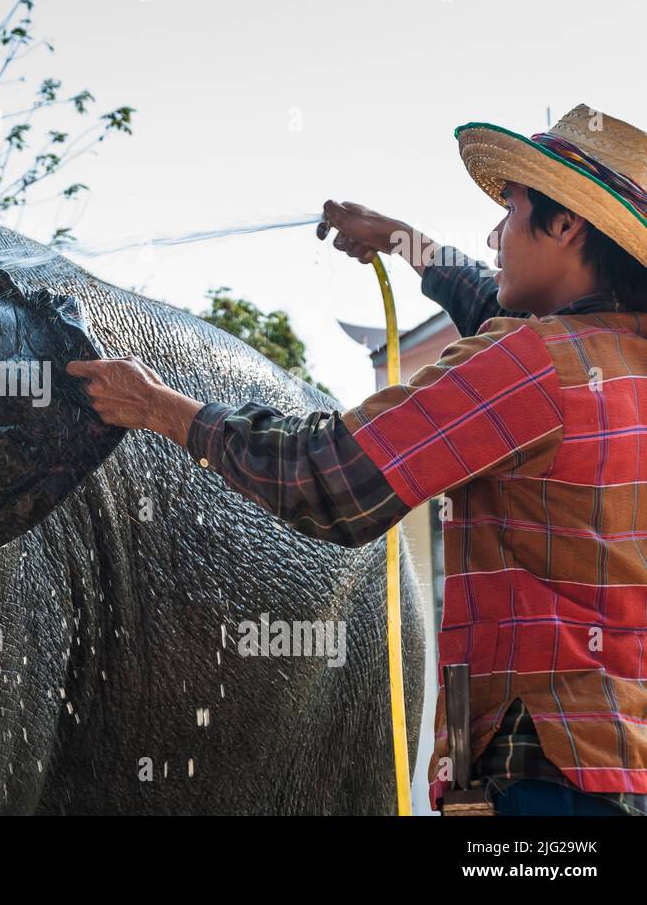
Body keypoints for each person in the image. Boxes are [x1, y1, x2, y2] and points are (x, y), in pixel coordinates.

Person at [69, 104, 647, 816]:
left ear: (567, 226)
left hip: (545, 780)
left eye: (513, 210)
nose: (495, 235)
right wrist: (403, 240)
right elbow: (495, 315)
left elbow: (330, 477)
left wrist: (160, 408)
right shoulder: (616, 361)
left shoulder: (531, 365)